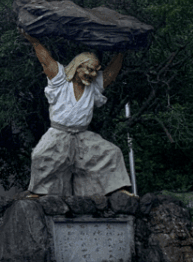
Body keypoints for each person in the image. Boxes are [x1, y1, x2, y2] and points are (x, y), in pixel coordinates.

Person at [21, 30, 132, 197]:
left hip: (83, 136)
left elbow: (111, 74)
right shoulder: (60, 80)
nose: (92, 74)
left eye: (95, 71)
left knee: (111, 152)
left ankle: (116, 190)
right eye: (88, 69)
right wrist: (34, 41)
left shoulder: (93, 85)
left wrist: (122, 52)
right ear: (78, 66)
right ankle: (39, 192)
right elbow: (45, 61)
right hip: (58, 133)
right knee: (40, 156)